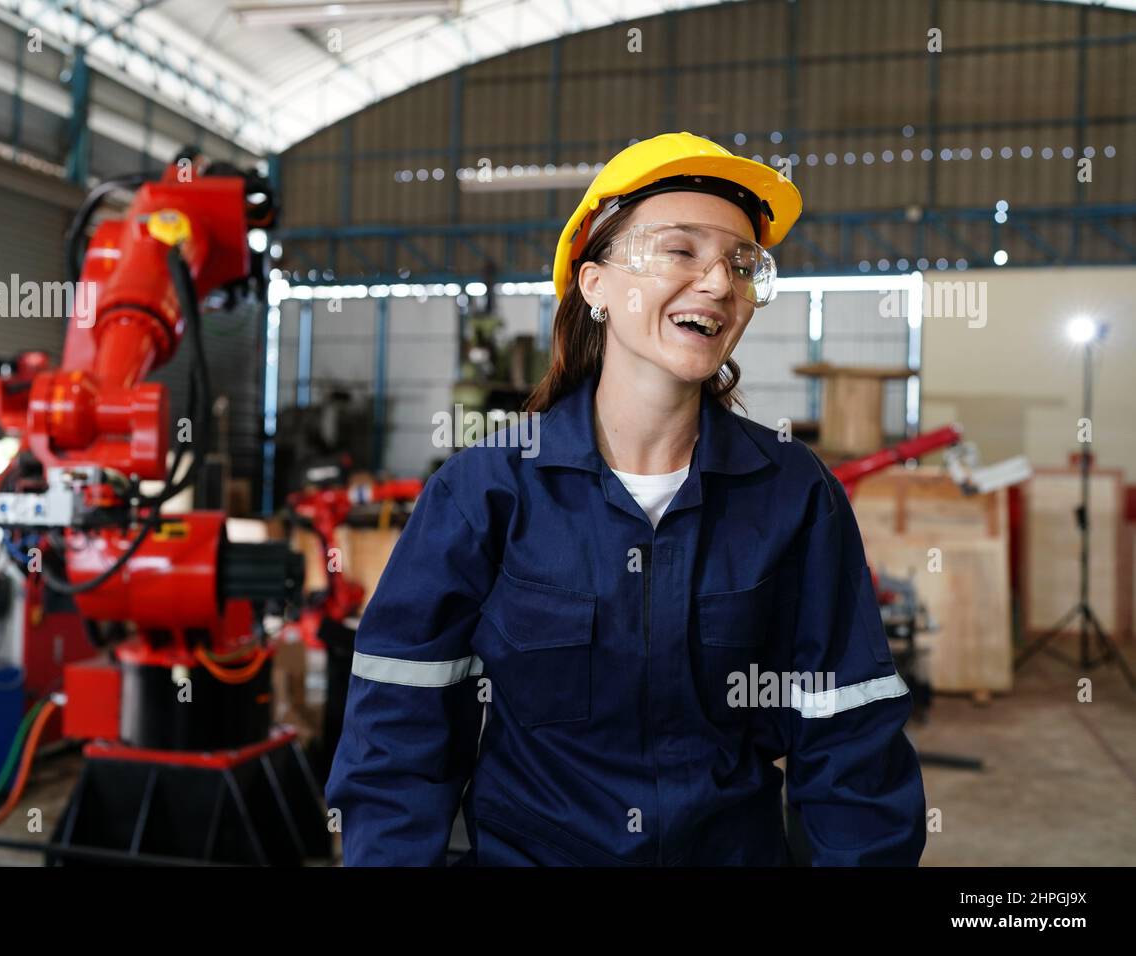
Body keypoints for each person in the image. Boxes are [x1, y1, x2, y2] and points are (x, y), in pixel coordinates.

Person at [325, 132, 927, 866]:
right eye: (681, 250)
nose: (718, 283)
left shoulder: (794, 495)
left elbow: (848, 737)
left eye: (741, 264)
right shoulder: (485, 491)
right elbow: (399, 731)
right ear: (595, 284)